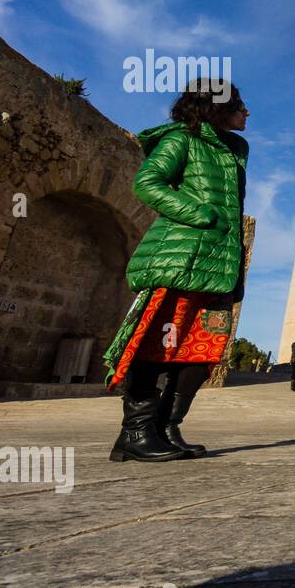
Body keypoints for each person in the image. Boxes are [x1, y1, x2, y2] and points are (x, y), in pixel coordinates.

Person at [102, 78, 249, 462]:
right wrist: (200, 214)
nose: (246, 113)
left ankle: (165, 427)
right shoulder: (181, 139)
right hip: (181, 257)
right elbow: (148, 184)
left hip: (218, 263)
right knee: (157, 345)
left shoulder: (232, 152)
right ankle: (135, 431)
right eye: (239, 106)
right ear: (216, 108)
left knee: (203, 352)